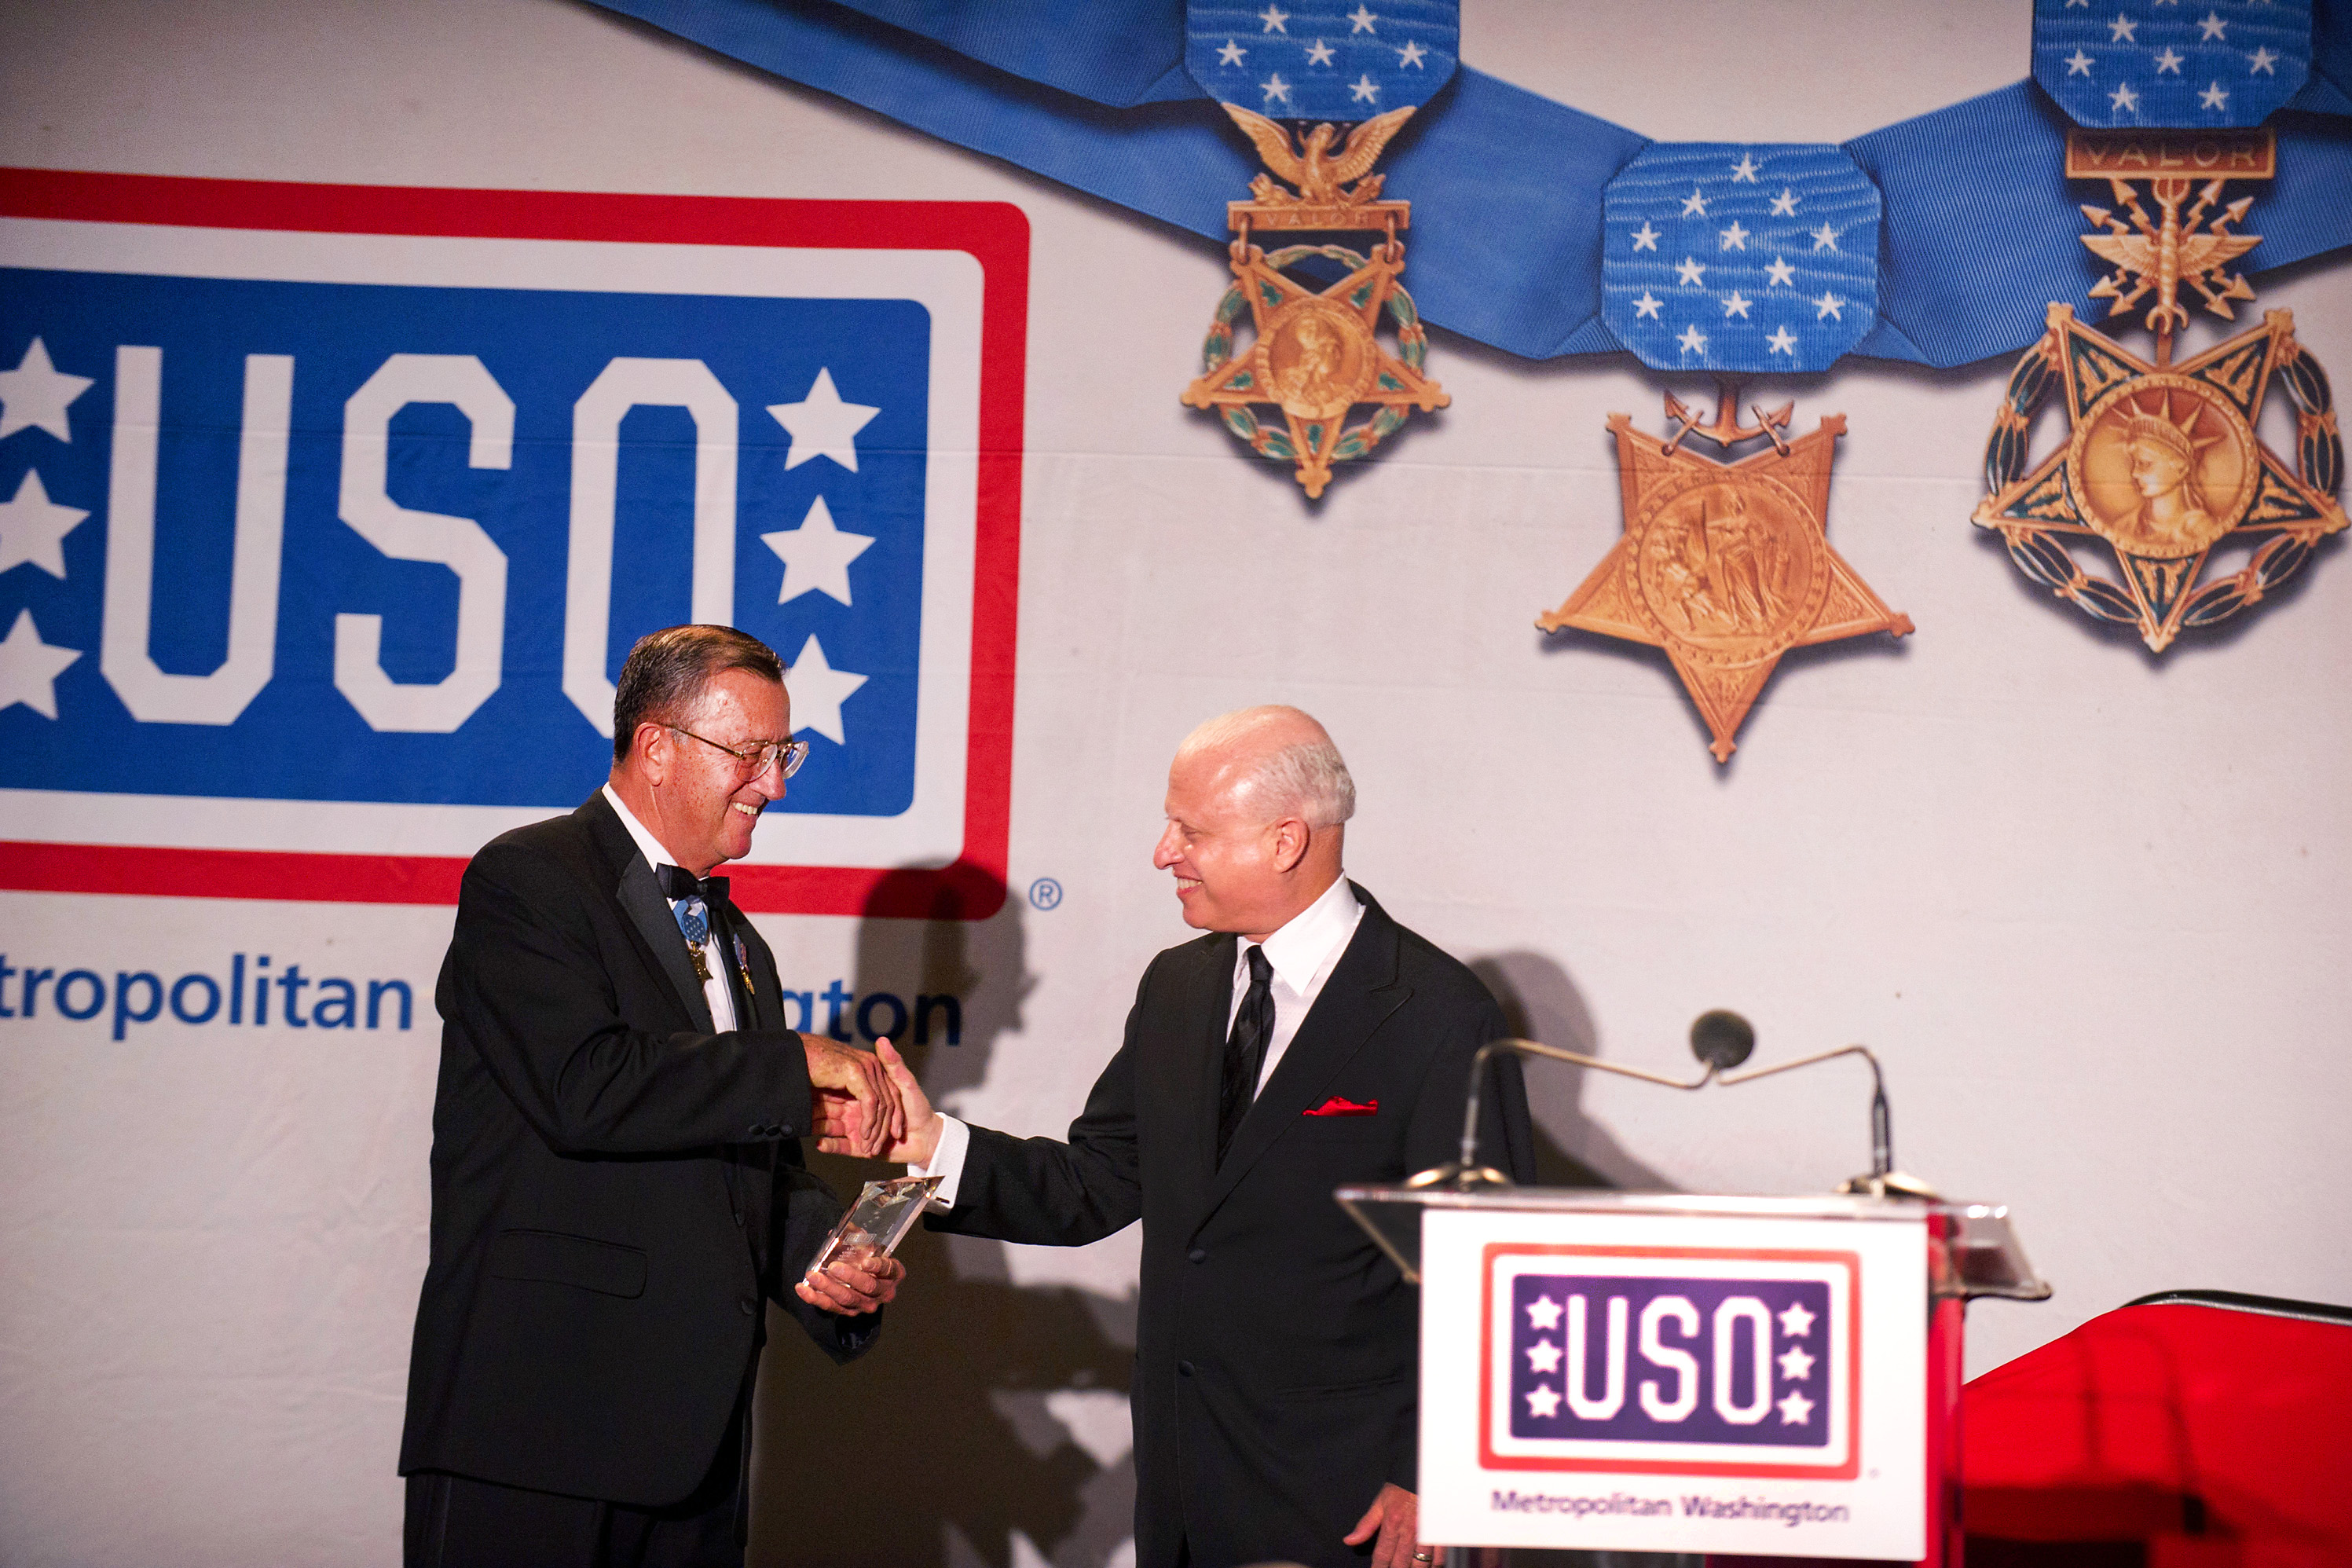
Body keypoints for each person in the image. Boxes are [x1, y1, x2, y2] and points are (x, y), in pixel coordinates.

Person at [833, 705, 1533, 1568]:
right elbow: (1098, 1179)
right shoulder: (1178, 986)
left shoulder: (1437, 1013)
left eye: (1191, 830)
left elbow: (1490, 1276)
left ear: (1285, 841)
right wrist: (932, 1140)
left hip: (1352, 1503)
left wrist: (1441, 1476)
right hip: (1182, 1490)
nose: (1164, 852)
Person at [400, 624, 907, 1568]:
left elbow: (740, 1163)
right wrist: (793, 1064)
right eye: (751, 753)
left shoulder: (743, 947)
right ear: (657, 746)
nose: (777, 783)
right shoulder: (528, 880)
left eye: (784, 753)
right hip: (537, 1432)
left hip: (695, 1452)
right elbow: (583, 1086)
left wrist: (825, 1264)